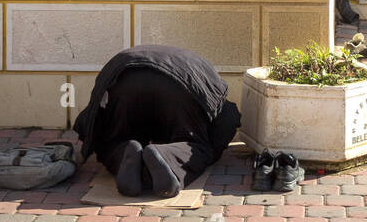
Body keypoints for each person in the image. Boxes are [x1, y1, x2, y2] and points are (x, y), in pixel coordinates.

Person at [72, 44, 244, 198]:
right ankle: (166, 158)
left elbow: (92, 121)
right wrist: (211, 150)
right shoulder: (219, 100)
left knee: (112, 142)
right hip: (180, 87)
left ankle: (125, 150)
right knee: (196, 146)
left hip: (123, 78)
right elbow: (225, 123)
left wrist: (99, 142)